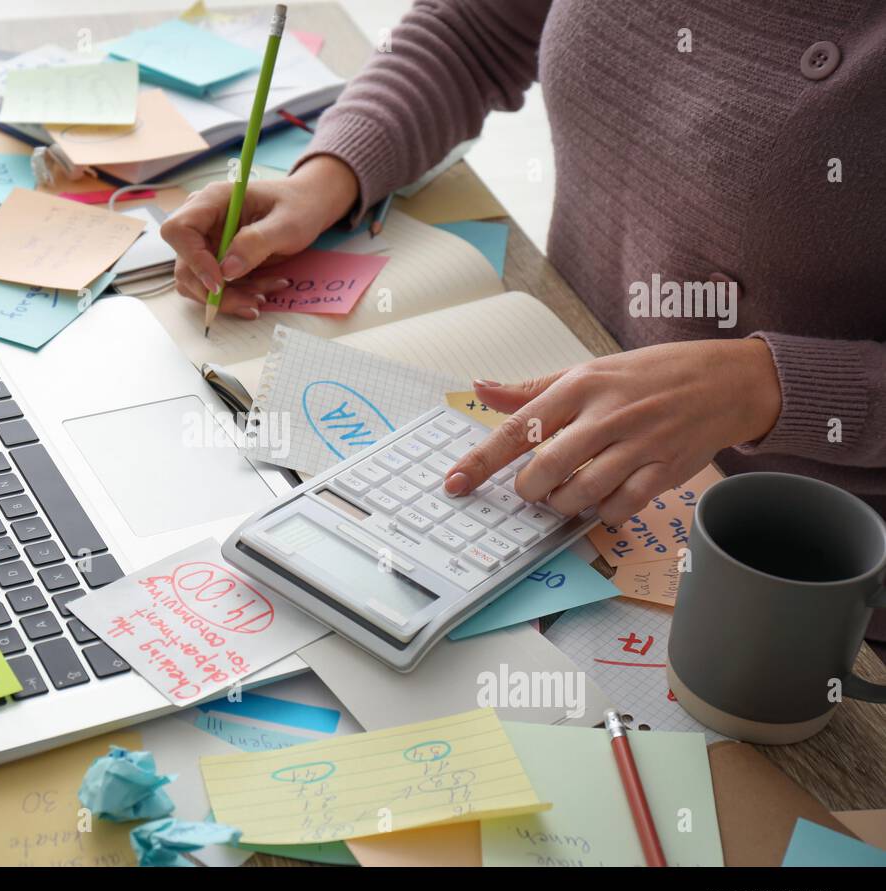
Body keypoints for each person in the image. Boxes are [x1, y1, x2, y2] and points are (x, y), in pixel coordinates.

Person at [161, 0, 885, 552]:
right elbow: (474, 32)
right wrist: (330, 175)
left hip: (801, 559)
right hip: (559, 395)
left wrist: (765, 385)